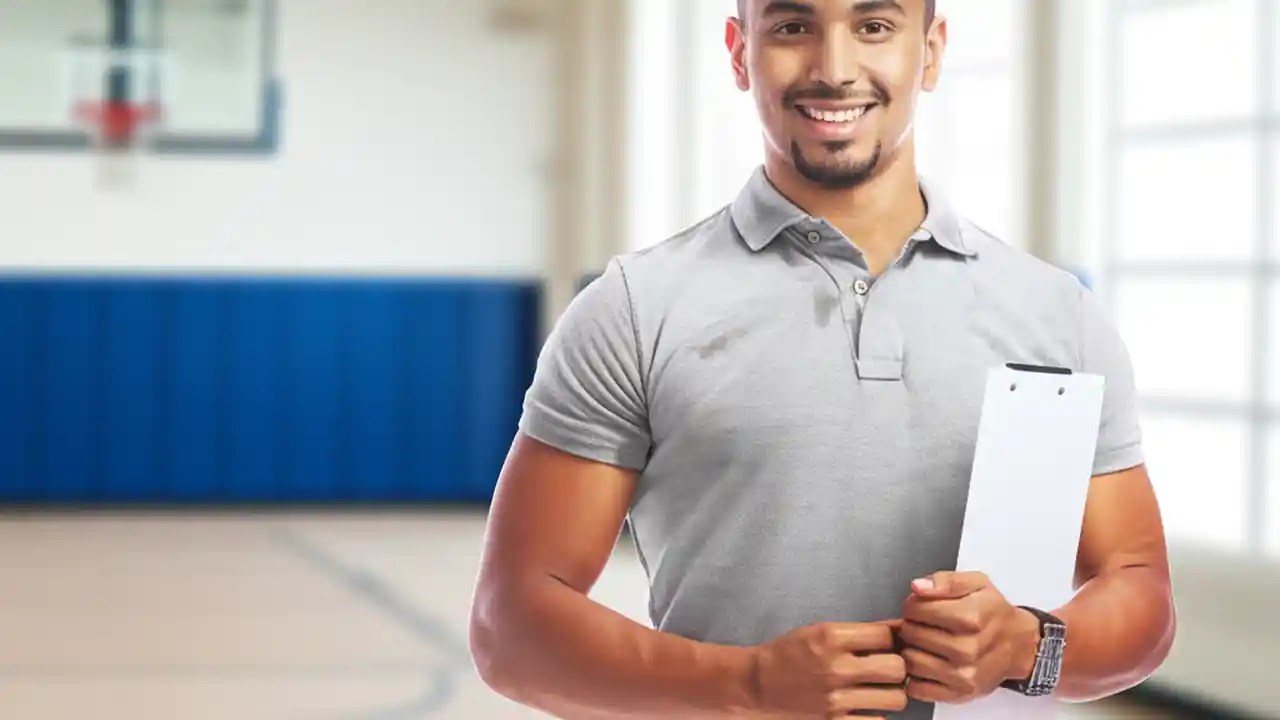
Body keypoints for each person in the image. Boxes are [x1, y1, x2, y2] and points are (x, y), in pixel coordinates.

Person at [469, 0, 1176, 717]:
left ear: (930, 51)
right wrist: (745, 686)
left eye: (874, 26)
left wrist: (1027, 646)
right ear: (740, 52)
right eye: (792, 27)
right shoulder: (633, 310)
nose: (834, 71)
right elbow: (510, 628)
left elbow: (1141, 595)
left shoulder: (1059, 315)